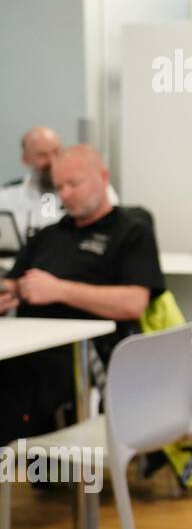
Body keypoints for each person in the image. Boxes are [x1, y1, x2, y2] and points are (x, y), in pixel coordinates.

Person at [0, 145, 164, 444]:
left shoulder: (131, 232)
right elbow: (12, 283)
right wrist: (9, 294)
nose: (65, 194)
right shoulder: (48, 235)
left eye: (74, 184)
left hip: (85, 353)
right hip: (28, 344)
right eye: (59, 186)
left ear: (103, 177)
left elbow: (134, 303)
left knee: (13, 391)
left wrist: (58, 290)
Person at [0, 127, 120, 240]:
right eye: (42, 155)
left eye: (56, 152)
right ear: (25, 159)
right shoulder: (6, 197)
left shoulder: (94, 188)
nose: (52, 160)